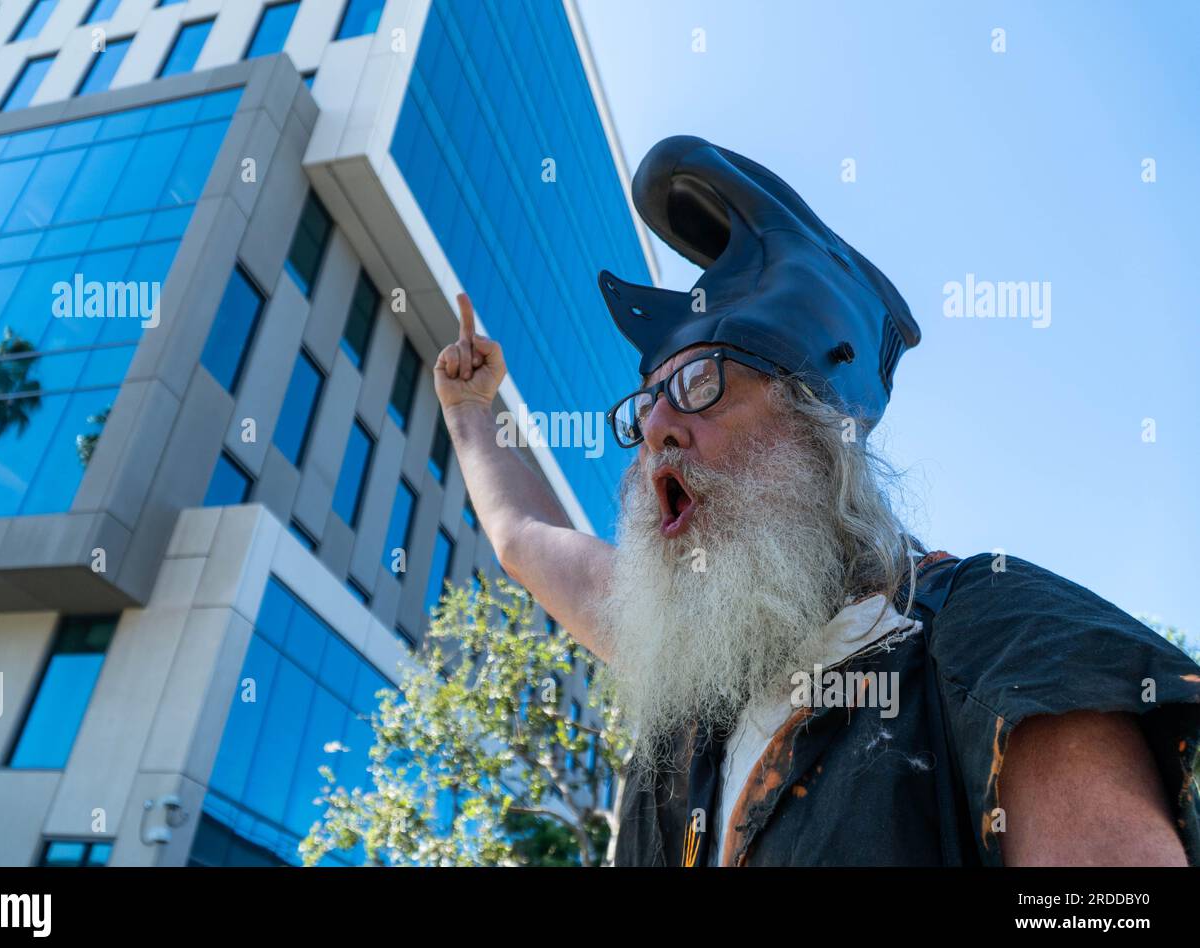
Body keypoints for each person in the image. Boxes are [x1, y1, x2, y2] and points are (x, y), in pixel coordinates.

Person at [432, 135, 1200, 866]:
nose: (657, 427)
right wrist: (470, 407)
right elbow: (521, 533)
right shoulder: (700, 683)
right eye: (645, 406)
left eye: (702, 383)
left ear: (817, 431)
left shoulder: (987, 631)